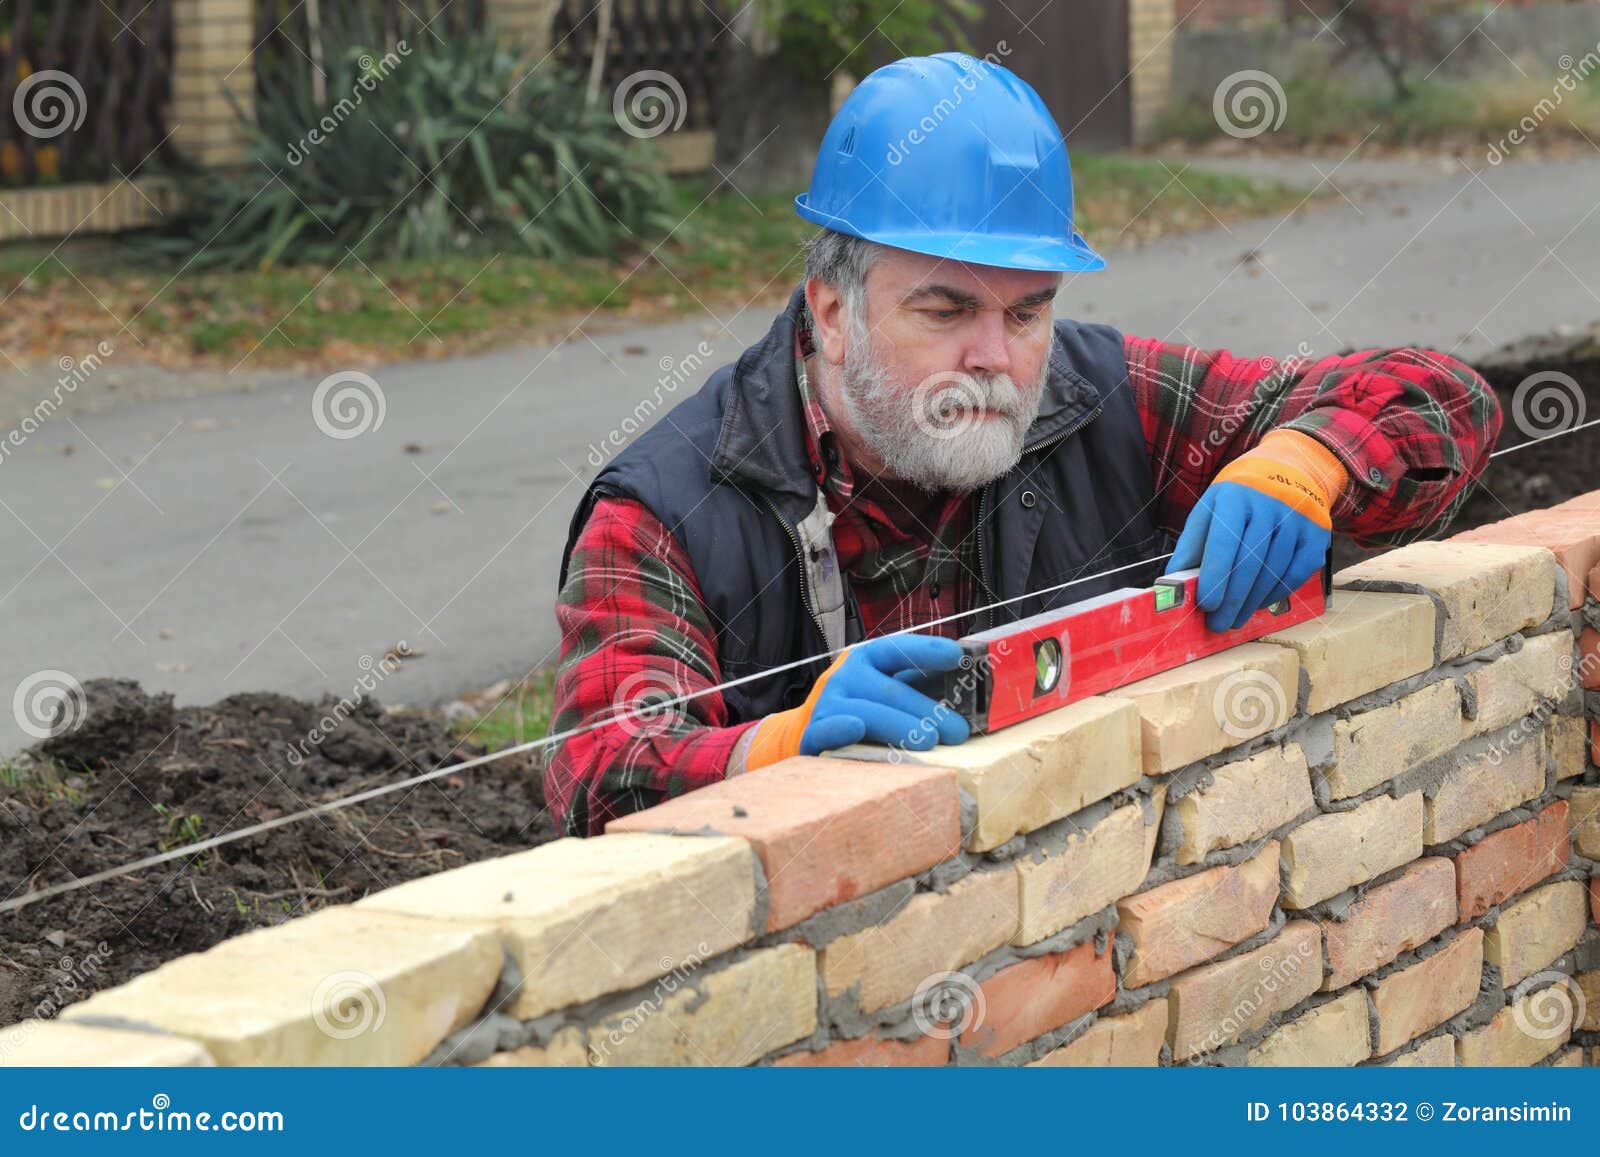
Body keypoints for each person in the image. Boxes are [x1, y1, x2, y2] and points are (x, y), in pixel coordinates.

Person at [543, 52, 1500, 836]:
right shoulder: (671, 507)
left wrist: (1308, 460)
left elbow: (1439, 396)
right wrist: (774, 747)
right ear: (833, 313)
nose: (996, 360)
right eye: (947, 308)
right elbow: (603, 770)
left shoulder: (1098, 401)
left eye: (1029, 310)